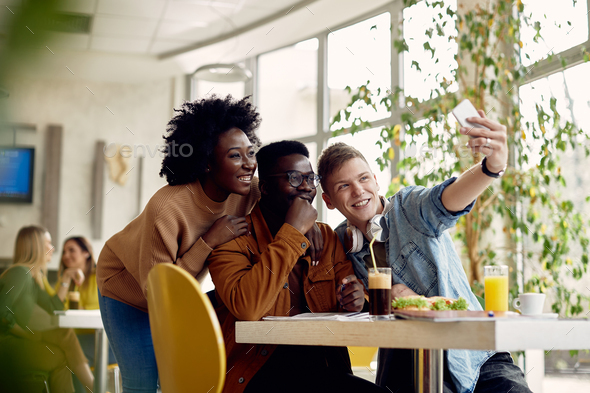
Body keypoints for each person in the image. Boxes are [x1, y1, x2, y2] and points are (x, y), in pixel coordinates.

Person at [96, 96, 323, 393]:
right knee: (142, 383)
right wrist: (209, 241)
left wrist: (312, 228)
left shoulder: (247, 189)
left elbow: (286, 197)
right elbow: (159, 294)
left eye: (250, 153)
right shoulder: (167, 208)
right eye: (234, 156)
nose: (249, 165)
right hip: (129, 292)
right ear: (206, 162)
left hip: (183, 293)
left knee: (178, 380)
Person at [317, 112, 531, 393]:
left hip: (475, 355)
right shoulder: (342, 244)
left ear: (376, 180)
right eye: (344, 186)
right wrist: (360, 299)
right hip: (409, 358)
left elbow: (448, 200)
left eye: (363, 178)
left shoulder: (410, 207)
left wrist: (491, 168)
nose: (358, 191)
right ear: (329, 201)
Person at [208, 140, 387, 393]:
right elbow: (248, 308)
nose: (305, 187)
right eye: (293, 178)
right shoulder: (233, 239)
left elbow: (350, 300)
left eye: (309, 178)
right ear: (266, 188)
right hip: (256, 372)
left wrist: (357, 299)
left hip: (324, 368)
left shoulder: (326, 237)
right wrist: (292, 231)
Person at [0, 226, 94, 392]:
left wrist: (66, 276)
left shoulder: (34, 276)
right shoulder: (20, 272)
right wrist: (29, 334)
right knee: (62, 343)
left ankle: (95, 388)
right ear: (36, 246)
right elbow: (2, 312)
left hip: (17, 342)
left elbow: (54, 307)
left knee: (62, 346)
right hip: (7, 344)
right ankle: (96, 388)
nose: (53, 248)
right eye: (49, 243)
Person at [55, 236, 116, 392]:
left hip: (105, 341)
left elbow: (104, 307)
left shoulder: (100, 277)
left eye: (71, 250)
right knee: (67, 352)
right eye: (64, 252)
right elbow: (55, 308)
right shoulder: (64, 281)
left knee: (68, 352)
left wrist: (83, 308)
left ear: (86, 253)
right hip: (75, 339)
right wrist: (67, 277)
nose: (66, 255)